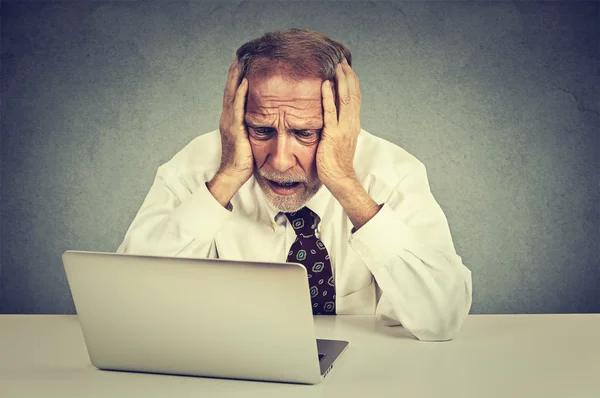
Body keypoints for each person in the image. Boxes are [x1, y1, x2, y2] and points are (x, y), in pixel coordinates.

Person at [117, 28, 472, 341]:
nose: (281, 159)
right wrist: (225, 180)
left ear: (343, 121)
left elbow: (442, 318)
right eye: (261, 129)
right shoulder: (195, 168)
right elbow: (127, 306)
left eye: (305, 133)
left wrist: (347, 186)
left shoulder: (393, 174)